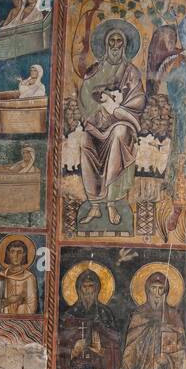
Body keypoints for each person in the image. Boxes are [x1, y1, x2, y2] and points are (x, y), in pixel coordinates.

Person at [78, 22, 146, 226]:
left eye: (119, 42)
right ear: (106, 46)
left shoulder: (131, 72)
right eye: (112, 42)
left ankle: (111, 203)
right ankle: (95, 206)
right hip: (97, 121)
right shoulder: (95, 70)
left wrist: (116, 110)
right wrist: (98, 112)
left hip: (121, 122)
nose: (116, 46)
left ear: (125, 46)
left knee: (118, 134)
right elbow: (84, 96)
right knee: (85, 141)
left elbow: (138, 99)